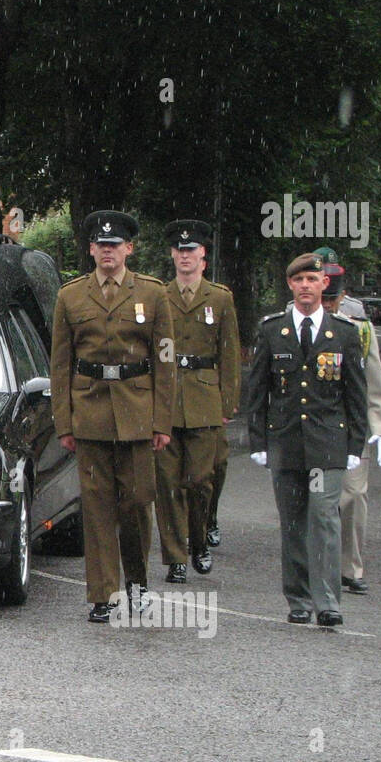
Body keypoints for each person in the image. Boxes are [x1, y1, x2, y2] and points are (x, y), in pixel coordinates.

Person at [49, 210, 175, 624]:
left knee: (138, 503)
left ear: (128, 249)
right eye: (101, 245)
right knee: (97, 505)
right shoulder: (71, 296)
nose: (108, 251)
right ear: (90, 250)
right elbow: (60, 365)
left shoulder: (154, 294)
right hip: (89, 412)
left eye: (115, 245)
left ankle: (137, 584)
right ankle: (102, 593)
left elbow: (166, 362)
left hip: (138, 412)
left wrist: (162, 422)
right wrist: (64, 423)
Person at [244, 253, 368, 627]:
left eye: (312, 280)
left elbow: (355, 395)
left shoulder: (344, 332)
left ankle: (328, 601)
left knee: (326, 519)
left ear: (323, 285)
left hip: (327, 444)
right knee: (293, 523)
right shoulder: (272, 330)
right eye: (298, 281)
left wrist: (355, 447)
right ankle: (298, 598)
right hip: (285, 443)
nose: (305, 287)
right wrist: (258, 442)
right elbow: (257, 391)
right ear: (290, 285)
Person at [154, 220, 240, 583]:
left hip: (205, 397)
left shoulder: (219, 298)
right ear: (172, 255)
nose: (185, 256)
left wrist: (227, 402)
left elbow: (230, 353)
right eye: (179, 250)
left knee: (201, 480)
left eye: (192, 251)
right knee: (167, 481)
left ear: (203, 255)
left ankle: (200, 540)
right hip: (168, 397)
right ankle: (175, 555)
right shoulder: (159, 295)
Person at [310, 253, 381, 596]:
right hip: (310, 424)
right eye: (322, 298)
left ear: (341, 297)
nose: (326, 305)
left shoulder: (360, 330)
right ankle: (311, 564)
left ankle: (349, 567)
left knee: (353, 496)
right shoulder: (291, 325)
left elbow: (376, 383)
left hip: (350, 426)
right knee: (313, 499)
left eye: (332, 299)